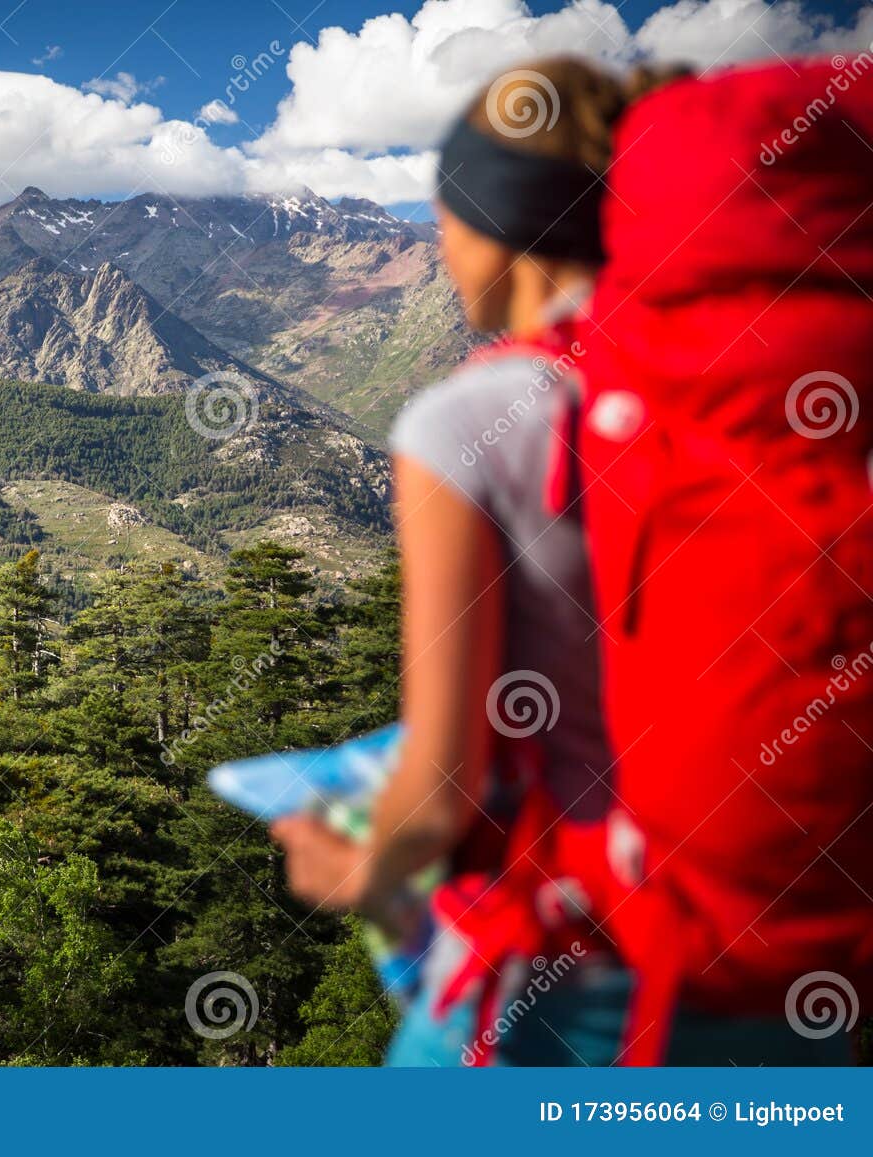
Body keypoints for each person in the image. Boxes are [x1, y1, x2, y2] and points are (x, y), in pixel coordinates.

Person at [274, 55, 863, 1067]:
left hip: (586, 977)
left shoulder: (471, 422)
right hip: (810, 964)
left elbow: (439, 791)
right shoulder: (766, 390)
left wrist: (355, 866)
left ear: (490, 230)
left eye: (444, 216)